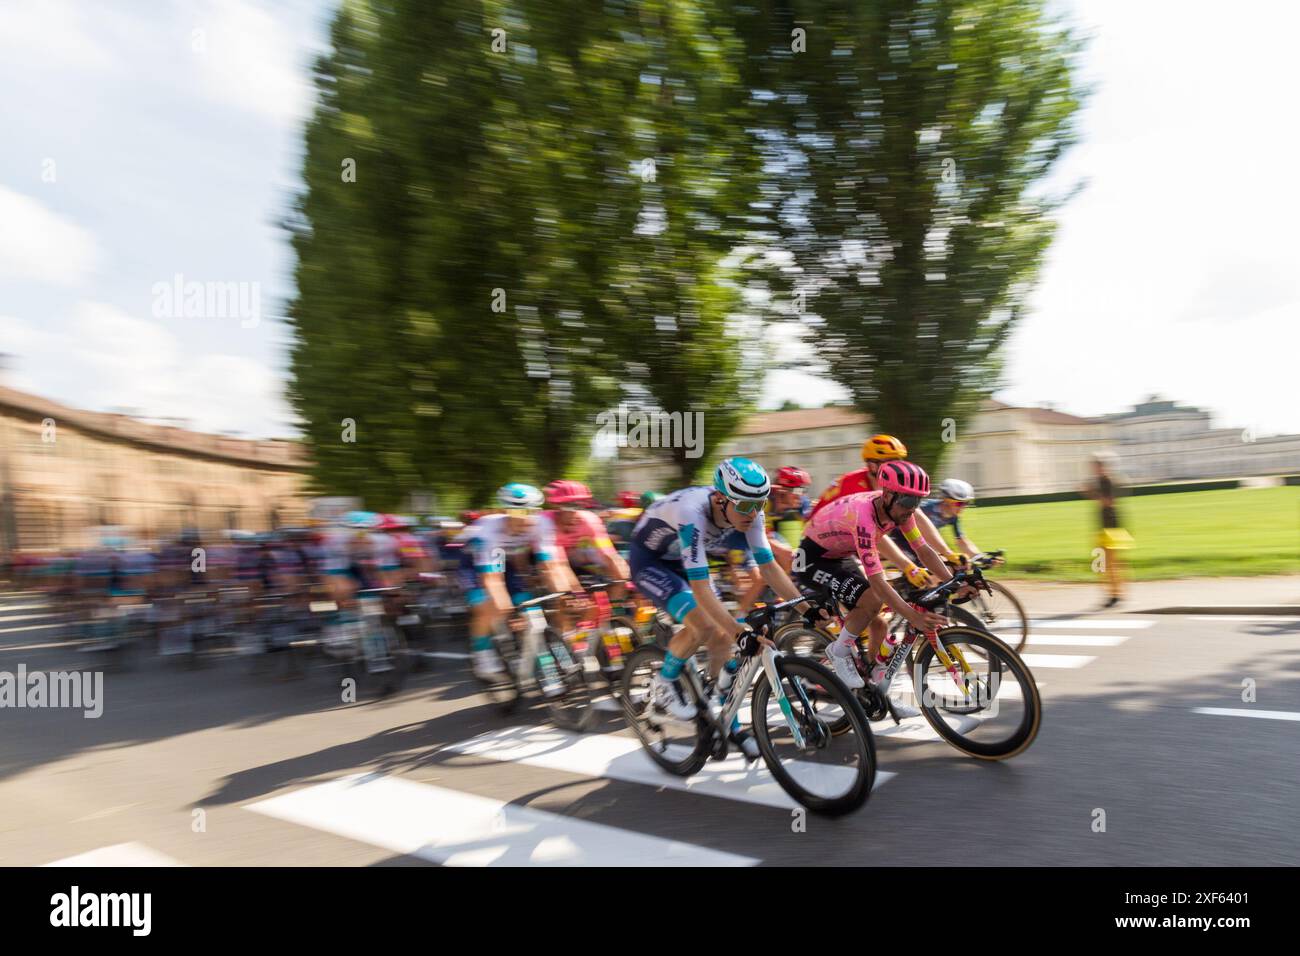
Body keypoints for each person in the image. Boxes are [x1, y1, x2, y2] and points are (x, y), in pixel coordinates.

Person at [628, 458, 823, 759]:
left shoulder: (749, 511)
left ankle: (724, 715)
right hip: (651, 561)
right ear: (721, 498)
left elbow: (769, 567)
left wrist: (806, 608)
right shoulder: (692, 511)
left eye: (761, 505)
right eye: (745, 506)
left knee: (722, 638)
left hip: (682, 559)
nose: (754, 513)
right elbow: (701, 589)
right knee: (705, 626)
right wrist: (739, 631)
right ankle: (664, 683)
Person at [794, 461, 953, 705]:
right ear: (888, 494)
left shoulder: (899, 510)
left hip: (838, 556)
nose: (913, 509)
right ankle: (837, 652)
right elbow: (877, 582)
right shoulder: (864, 516)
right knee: (872, 599)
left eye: (918, 501)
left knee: (878, 624)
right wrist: (913, 615)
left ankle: (878, 691)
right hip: (811, 560)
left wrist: (954, 581)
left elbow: (923, 550)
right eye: (909, 502)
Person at [460, 483, 572, 680]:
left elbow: (551, 566)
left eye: (532, 511)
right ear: (505, 511)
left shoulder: (542, 525)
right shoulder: (489, 531)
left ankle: (538, 659)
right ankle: (482, 654)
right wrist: (509, 612)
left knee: (530, 607)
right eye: (519, 511)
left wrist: (565, 594)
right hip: (474, 563)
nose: (527, 517)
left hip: (508, 559)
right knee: (489, 606)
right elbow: (492, 579)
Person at [1083, 452, 1133, 609]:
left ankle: (1116, 595)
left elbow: (1109, 502)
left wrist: (1091, 492)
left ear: (1103, 467)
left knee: (1111, 565)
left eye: (1096, 466)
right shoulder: (1099, 481)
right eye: (1093, 466)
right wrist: (1089, 492)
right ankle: (1113, 594)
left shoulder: (1109, 481)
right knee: (1100, 565)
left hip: (1113, 529)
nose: (1094, 469)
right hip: (1102, 529)